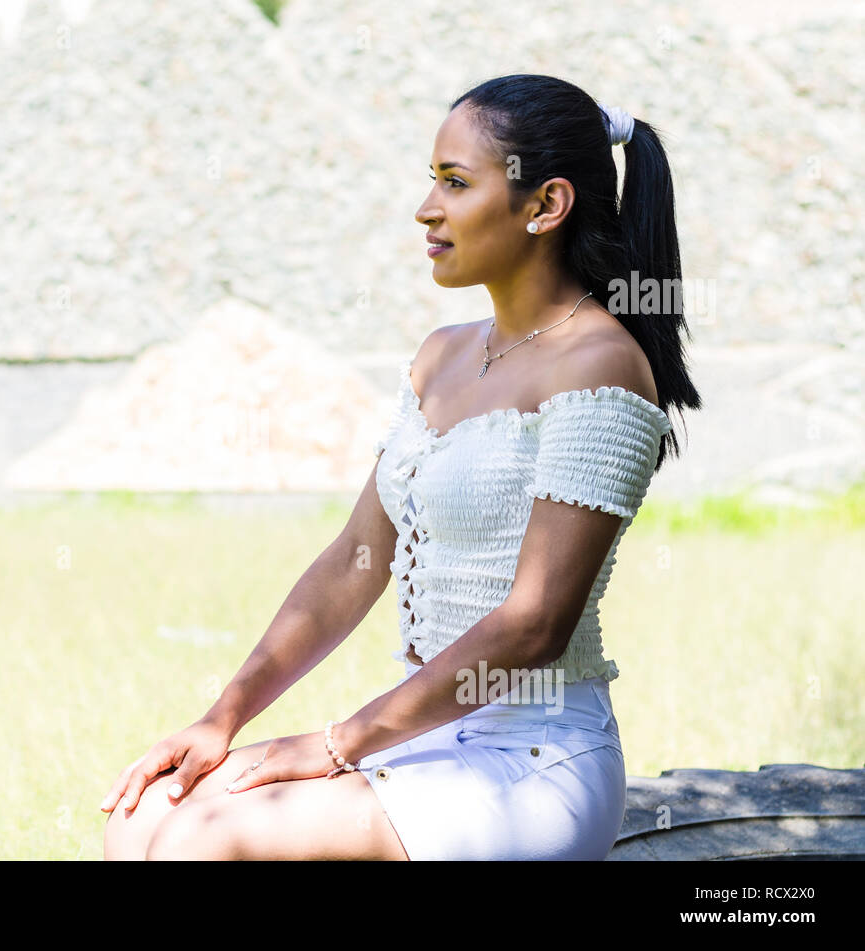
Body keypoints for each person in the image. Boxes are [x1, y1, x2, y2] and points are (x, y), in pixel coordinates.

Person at [100, 73, 702, 860]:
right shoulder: (440, 356)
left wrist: (336, 741)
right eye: (432, 180)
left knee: (202, 842)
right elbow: (355, 560)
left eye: (455, 183)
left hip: (529, 764)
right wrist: (223, 717)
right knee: (143, 816)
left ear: (545, 205)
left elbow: (535, 624)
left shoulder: (600, 365)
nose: (426, 209)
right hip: (424, 733)